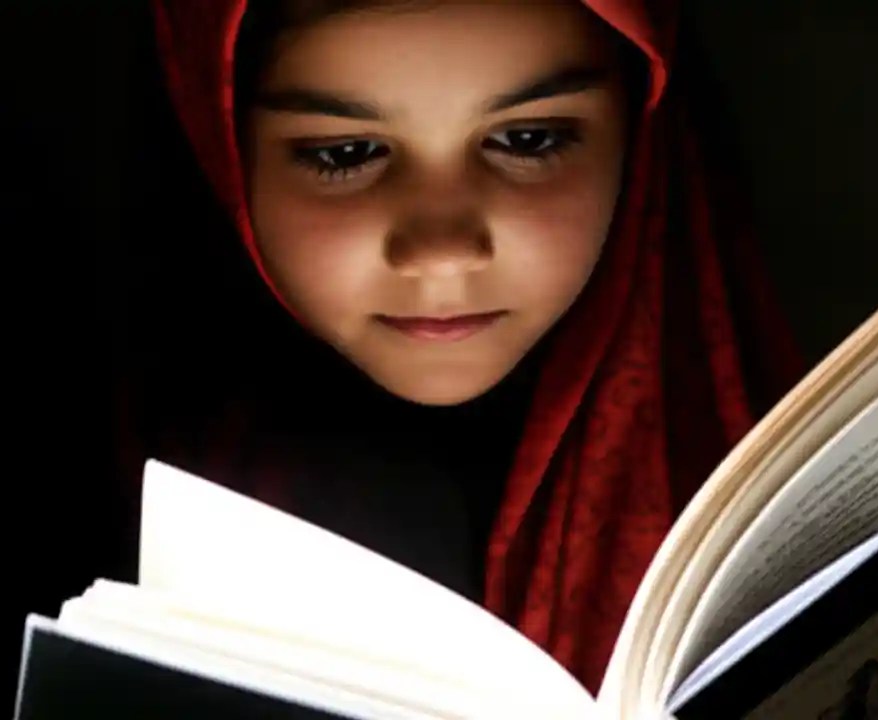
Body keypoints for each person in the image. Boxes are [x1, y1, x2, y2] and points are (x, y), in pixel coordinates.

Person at [132, 0, 806, 693]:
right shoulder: (78, 491)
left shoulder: (780, 462)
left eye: (528, 140)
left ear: (639, 132)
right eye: (347, 153)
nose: (444, 252)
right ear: (220, 136)